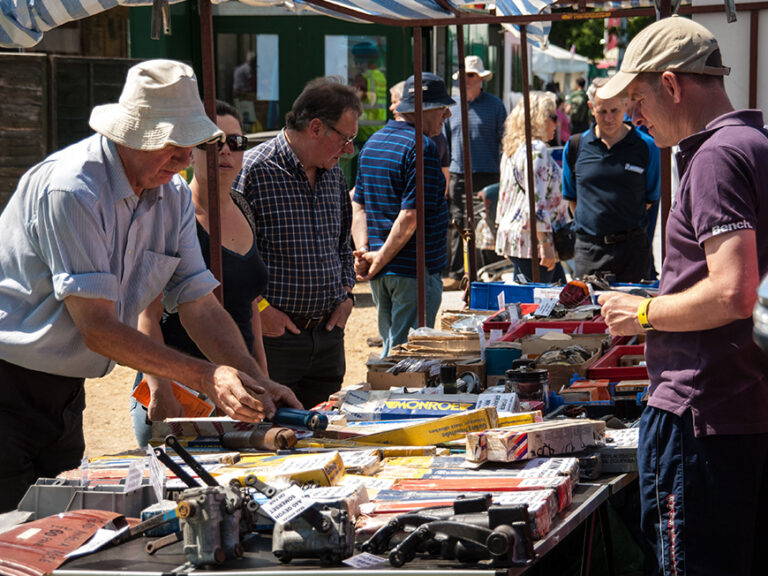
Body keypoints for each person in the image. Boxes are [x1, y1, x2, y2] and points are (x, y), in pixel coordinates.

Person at [0, 60, 299, 513]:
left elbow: (199, 302)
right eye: (172, 146)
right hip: (8, 385)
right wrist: (205, 375)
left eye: (190, 146)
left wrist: (256, 381)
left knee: (56, 526)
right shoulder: (73, 188)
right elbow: (98, 328)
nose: (184, 159)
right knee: (17, 536)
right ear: (132, 134)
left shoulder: (172, 194)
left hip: (62, 391)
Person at [597, 16, 768, 576]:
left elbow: (732, 290)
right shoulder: (752, 144)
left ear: (672, 85)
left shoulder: (717, 156)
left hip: (703, 416)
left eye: (638, 99)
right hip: (734, 410)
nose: (635, 117)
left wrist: (642, 312)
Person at [130, 101, 270, 447]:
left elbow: (249, 307)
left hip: (237, 390)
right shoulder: (171, 213)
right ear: (191, 149)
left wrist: (262, 377)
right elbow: (147, 313)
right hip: (181, 392)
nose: (226, 151)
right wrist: (162, 390)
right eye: (213, 141)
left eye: (236, 143)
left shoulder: (244, 208)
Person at [233, 77, 361, 409]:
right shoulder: (254, 171)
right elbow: (229, 260)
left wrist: (346, 296)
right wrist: (261, 311)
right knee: (272, 435)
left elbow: (343, 246)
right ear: (316, 127)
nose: (350, 149)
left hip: (328, 338)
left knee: (322, 435)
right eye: (345, 138)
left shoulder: (333, 173)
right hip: (275, 341)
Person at [351, 73, 453, 357]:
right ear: (424, 109)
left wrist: (365, 252)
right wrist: (376, 257)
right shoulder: (422, 147)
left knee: (392, 349)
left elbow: (357, 204)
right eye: (442, 108)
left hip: (382, 270)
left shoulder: (372, 143)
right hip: (412, 271)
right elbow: (410, 215)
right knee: (406, 358)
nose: (447, 115)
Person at [562, 77, 660, 282]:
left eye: (614, 111)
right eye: (602, 111)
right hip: (589, 252)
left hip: (632, 252)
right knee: (587, 312)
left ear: (625, 105)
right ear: (591, 108)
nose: (608, 118)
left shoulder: (647, 147)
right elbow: (572, 198)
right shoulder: (575, 146)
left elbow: (651, 198)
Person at [444, 55, 507, 287]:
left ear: (481, 79)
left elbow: (505, 141)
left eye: (471, 75)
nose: (466, 80)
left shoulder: (495, 105)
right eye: (463, 76)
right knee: (458, 222)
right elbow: (445, 144)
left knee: (489, 222)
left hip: (488, 173)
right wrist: (446, 177)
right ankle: (458, 274)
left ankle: (489, 271)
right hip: (458, 174)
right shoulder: (451, 106)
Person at [494, 92, 568, 283]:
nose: (557, 123)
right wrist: (543, 242)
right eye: (552, 117)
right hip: (535, 241)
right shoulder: (536, 149)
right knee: (539, 306)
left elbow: (504, 197)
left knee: (562, 298)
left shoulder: (512, 149)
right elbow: (535, 199)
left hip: (518, 236)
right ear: (538, 119)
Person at [352, 41, 387, 144]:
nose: (355, 64)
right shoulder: (381, 76)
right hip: (380, 129)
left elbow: (352, 102)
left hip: (365, 133)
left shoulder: (362, 78)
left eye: (356, 60)